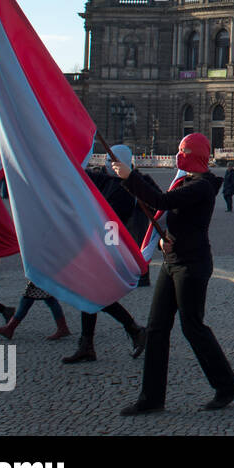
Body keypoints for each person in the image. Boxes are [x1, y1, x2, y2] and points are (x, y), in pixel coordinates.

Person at [114, 132, 234, 415]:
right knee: (157, 328)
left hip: (192, 265)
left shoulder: (202, 186)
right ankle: (151, 397)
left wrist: (130, 176)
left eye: (183, 150)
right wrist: (161, 241)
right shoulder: (187, 182)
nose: (178, 155)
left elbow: (160, 201)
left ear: (193, 155)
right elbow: (168, 215)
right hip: (174, 261)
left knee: (193, 327)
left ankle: (227, 386)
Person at [62, 145, 154, 363]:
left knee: (94, 294)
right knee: (92, 294)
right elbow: (85, 176)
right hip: (99, 246)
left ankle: (131, 331)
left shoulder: (124, 189)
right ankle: (93, 343)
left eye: (110, 161)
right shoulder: (111, 182)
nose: (105, 165)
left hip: (108, 248)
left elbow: (109, 219)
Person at [0, 279, 70, 341]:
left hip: (40, 272)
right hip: (43, 271)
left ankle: (9, 328)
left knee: (29, 300)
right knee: (48, 299)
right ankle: (62, 327)